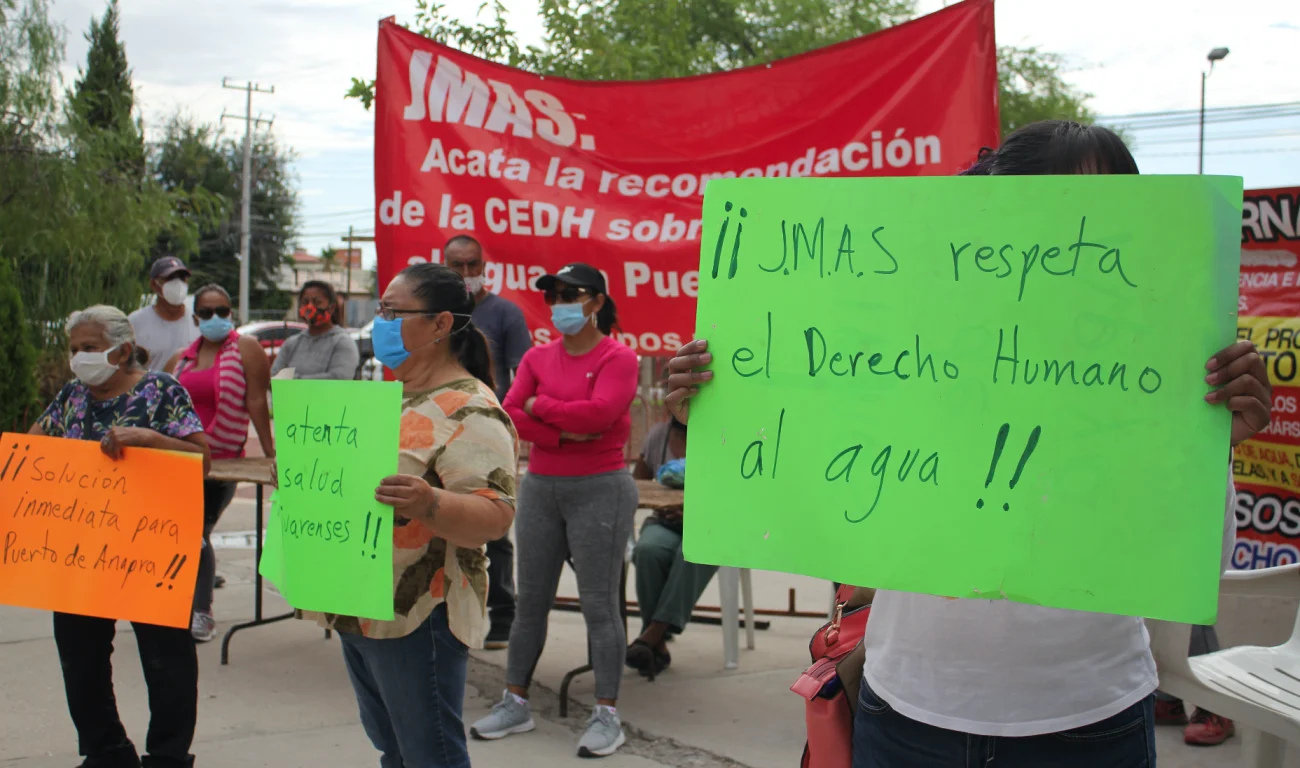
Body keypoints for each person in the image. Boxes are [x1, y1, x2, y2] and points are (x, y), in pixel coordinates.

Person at [662, 121, 1273, 768]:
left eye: (1112, 214)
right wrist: (720, 411)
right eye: (1054, 214)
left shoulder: (1156, 370)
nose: (1079, 240)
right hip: (906, 714)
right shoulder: (904, 348)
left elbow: (1197, 565)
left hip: (1087, 721)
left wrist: (1211, 447)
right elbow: (805, 475)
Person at [300, 263, 518, 768]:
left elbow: (496, 516)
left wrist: (430, 503)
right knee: (393, 750)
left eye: (394, 313)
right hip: (361, 602)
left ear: (441, 324)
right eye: (381, 311)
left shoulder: (472, 411)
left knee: (430, 755)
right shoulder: (390, 400)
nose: (382, 323)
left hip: (419, 616)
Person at [471, 263, 640, 758]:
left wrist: (542, 409)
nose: (560, 304)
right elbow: (511, 410)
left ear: (596, 302)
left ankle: (607, 713)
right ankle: (515, 700)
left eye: (572, 294)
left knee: (599, 604)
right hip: (543, 485)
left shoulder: (619, 356)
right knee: (530, 602)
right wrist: (564, 430)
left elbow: (602, 414)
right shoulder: (539, 357)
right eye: (553, 296)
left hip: (601, 488)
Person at [31, 305, 211, 768]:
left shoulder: (160, 391)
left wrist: (152, 441)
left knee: (165, 657)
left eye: (88, 349)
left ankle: (168, 756)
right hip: (82, 551)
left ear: (123, 349)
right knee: (80, 655)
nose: (79, 359)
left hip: (150, 546)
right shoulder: (73, 395)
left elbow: (201, 460)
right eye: (74, 350)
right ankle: (106, 750)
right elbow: (36, 445)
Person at [164, 285, 275, 643]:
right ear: (195, 317)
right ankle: (175, 604)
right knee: (178, 533)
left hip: (222, 463)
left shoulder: (246, 349)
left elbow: (257, 401)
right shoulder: (180, 358)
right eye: (207, 312)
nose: (216, 318)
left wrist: (270, 454)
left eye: (222, 310)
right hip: (177, 459)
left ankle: (201, 611)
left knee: (198, 531)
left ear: (232, 314)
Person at [445, 234, 532, 650]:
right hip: (437, 431)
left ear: (484, 266)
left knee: (492, 522)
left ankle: (504, 612)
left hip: (485, 433)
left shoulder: (506, 314)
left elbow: (523, 377)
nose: (466, 274)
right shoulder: (436, 315)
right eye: (457, 266)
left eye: (472, 265)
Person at [626, 413, 714, 678]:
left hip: (710, 528)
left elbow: (740, 495)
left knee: (694, 551)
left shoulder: (724, 435)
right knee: (647, 550)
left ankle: (652, 633)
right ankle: (658, 643)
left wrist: (695, 514)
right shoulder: (658, 436)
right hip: (665, 522)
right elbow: (637, 485)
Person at [270, 280, 360, 380]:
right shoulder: (291, 343)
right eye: (305, 302)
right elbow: (274, 378)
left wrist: (293, 380)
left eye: (317, 302)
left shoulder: (342, 342)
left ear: (331, 307)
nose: (310, 307)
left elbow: (338, 379)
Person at [129, 255, 199, 372]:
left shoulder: (198, 320)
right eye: (170, 278)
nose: (177, 283)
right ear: (154, 284)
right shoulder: (135, 322)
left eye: (182, 278)